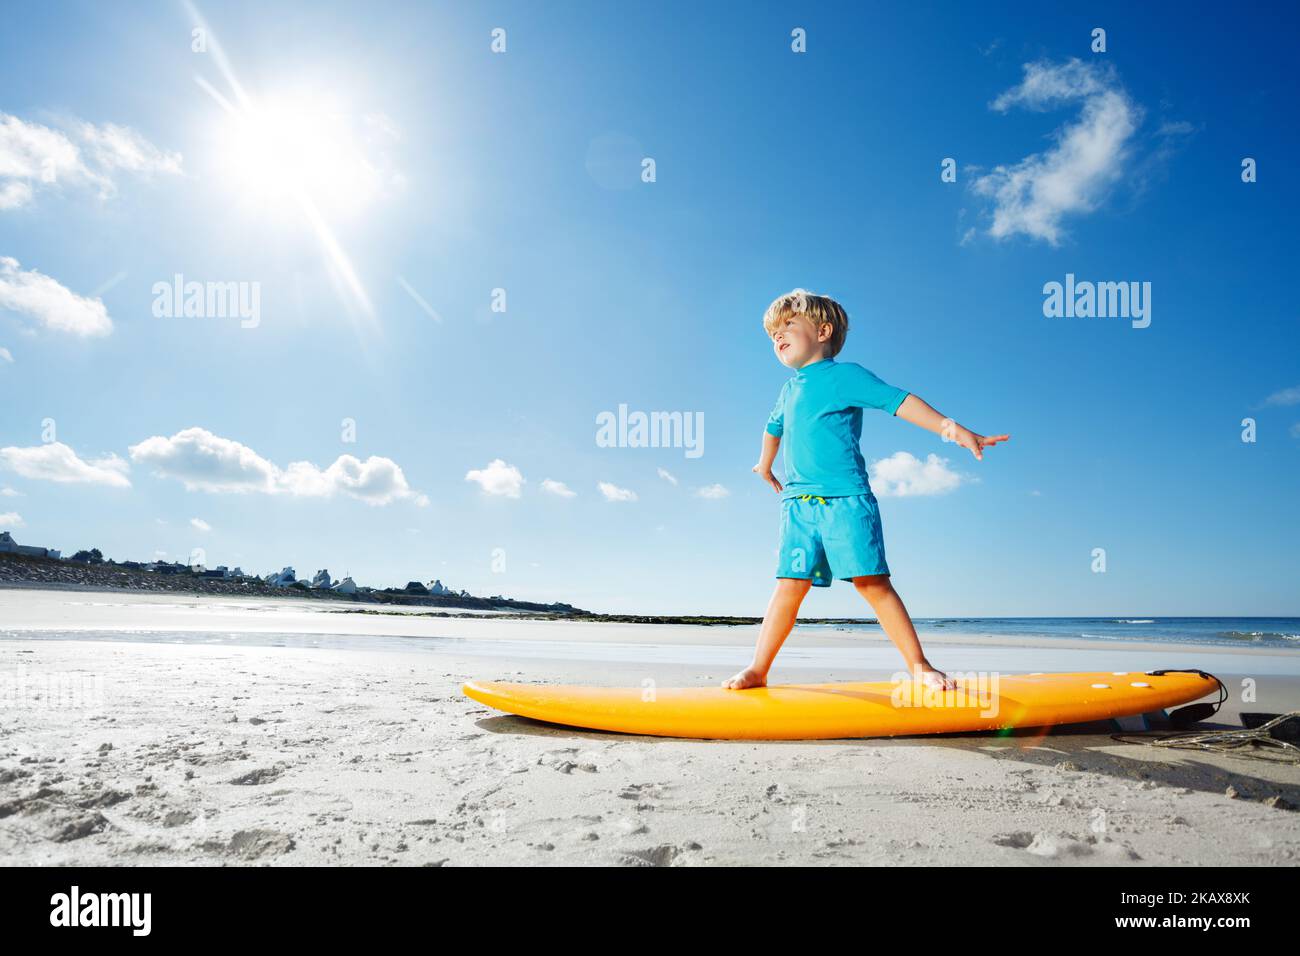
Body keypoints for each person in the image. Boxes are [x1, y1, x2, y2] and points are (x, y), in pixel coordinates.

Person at [723, 289, 1010, 692]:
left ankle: (919, 665)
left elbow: (901, 401)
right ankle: (758, 668)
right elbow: (774, 428)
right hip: (799, 507)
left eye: (788, 326)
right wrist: (764, 466)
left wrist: (955, 431)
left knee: (872, 584)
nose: (778, 337)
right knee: (789, 586)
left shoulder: (845, 376)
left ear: (822, 331)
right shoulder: (788, 389)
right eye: (773, 333)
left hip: (847, 502)